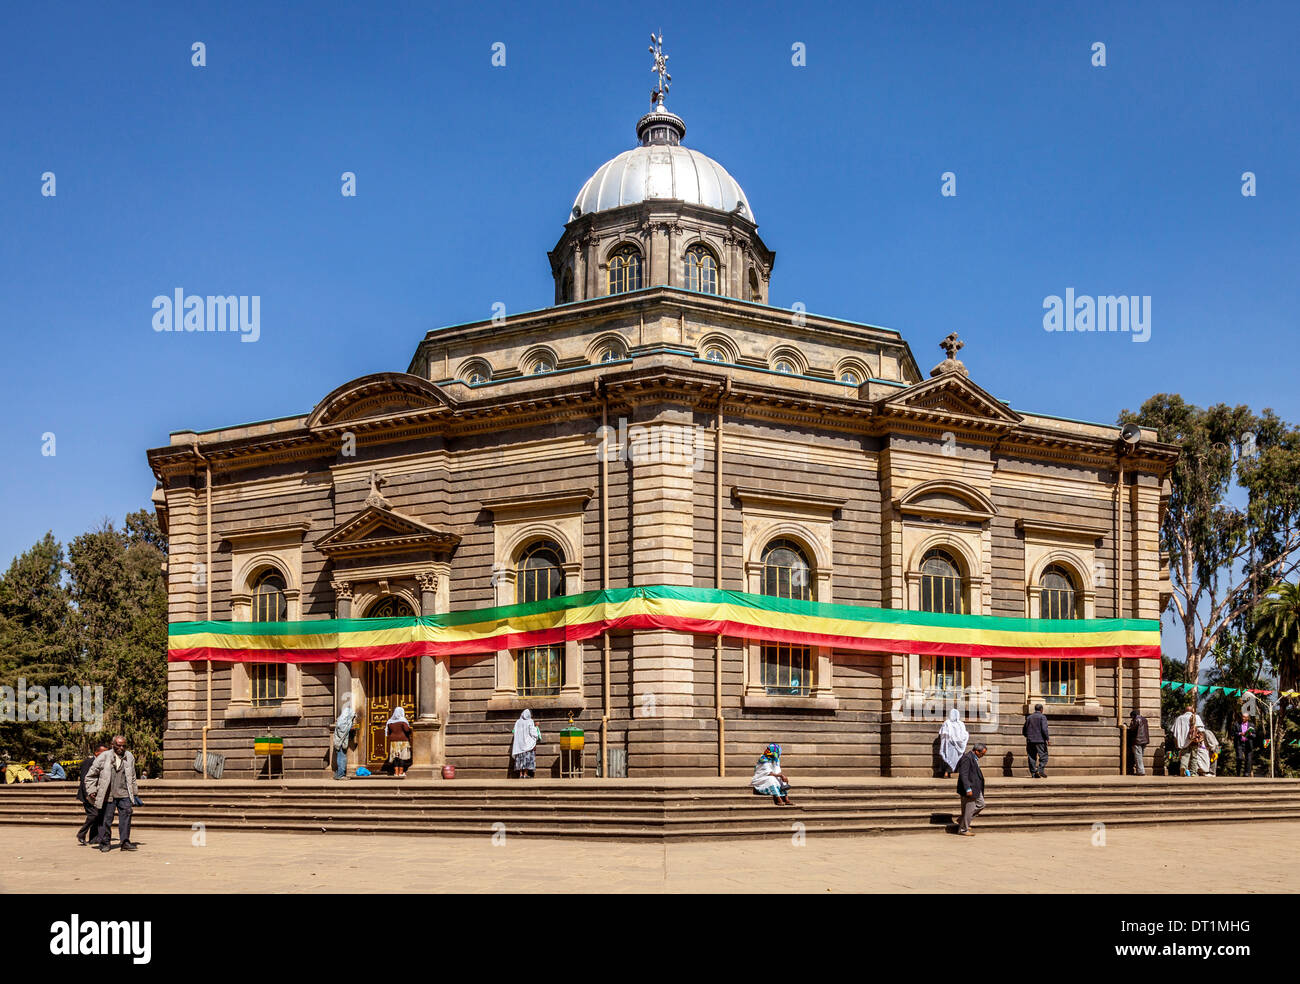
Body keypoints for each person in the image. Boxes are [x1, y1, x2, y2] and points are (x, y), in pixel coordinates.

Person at [84, 735, 140, 853]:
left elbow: (133, 776)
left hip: (124, 793)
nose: (121, 748)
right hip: (107, 793)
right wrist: (92, 790)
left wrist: (134, 793)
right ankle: (105, 843)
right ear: (112, 744)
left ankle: (125, 842)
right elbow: (90, 775)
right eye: (119, 745)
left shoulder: (129, 756)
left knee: (126, 818)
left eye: (124, 745)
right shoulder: (104, 756)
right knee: (105, 819)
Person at [75, 745, 108, 846]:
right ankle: (81, 834)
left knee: (97, 816)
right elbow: (85, 779)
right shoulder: (88, 762)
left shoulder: (103, 763)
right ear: (97, 753)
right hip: (88, 794)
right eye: (104, 752)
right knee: (94, 815)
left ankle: (93, 838)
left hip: (97, 794)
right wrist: (87, 794)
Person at [955, 742, 988, 836]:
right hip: (970, 788)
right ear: (977, 751)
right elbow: (963, 774)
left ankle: (962, 820)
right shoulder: (967, 758)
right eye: (982, 754)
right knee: (970, 808)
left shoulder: (973, 758)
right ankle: (963, 829)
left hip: (976, 787)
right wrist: (967, 788)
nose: (983, 756)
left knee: (981, 804)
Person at [1171, 705, 1210, 776]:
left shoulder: (1179, 718)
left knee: (1184, 755)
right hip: (1194, 740)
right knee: (1194, 756)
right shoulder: (1196, 717)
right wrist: (1200, 739)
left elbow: (1174, 731)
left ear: (1185, 711)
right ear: (1192, 711)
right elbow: (1201, 730)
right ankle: (1193, 772)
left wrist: (1177, 741)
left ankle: (1183, 767)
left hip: (1183, 741)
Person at [938, 709, 968, 779]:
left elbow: (964, 734)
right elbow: (944, 734)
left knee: (956, 759)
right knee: (948, 758)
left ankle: (950, 773)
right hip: (950, 745)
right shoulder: (947, 723)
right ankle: (946, 773)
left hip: (957, 745)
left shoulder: (960, 724)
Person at [331, 693, 355, 780]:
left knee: (341, 757)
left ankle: (339, 774)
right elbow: (343, 729)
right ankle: (340, 775)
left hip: (339, 742)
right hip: (340, 743)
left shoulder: (341, 721)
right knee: (342, 758)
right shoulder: (343, 723)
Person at [511, 709, 541, 778]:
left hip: (519, 744)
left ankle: (520, 774)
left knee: (520, 759)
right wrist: (536, 727)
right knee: (527, 758)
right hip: (527, 744)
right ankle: (525, 774)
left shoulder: (518, 722)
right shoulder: (530, 721)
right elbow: (533, 732)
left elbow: (515, 731)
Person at [1023, 703, 1050, 778]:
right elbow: (1044, 729)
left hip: (1030, 740)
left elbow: (1024, 730)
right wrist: (1047, 739)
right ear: (1041, 709)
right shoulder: (1042, 717)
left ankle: (1034, 773)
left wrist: (1028, 736)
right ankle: (1040, 770)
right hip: (1040, 740)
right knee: (1044, 756)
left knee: (1031, 757)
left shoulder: (1029, 717)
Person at [386, 706, 413, 778]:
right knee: (402, 757)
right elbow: (407, 730)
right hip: (403, 741)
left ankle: (396, 772)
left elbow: (388, 732)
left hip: (393, 741)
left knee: (395, 757)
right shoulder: (403, 721)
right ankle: (401, 772)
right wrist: (410, 729)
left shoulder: (390, 722)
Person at [1234, 713, 1257, 777]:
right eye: (1242, 716)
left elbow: (1254, 735)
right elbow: (1234, 733)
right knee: (1239, 758)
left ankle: (1246, 773)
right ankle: (1238, 773)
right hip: (1239, 743)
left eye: (1244, 717)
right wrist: (1240, 733)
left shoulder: (1252, 725)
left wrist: (1250, 734)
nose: (1243, 718)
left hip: (1248, 744)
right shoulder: (1237, 724)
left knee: (1248, 759)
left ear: (1248, 718)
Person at [1128, 709, 1149, 775]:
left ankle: (1140, 771)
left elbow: (1132, 729)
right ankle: (1139, 770)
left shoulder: (1136, 720)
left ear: (1133, 715)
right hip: (1145, 740)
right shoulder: (1145, 720)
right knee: (1140, 756)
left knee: (1138, 756)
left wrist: (1130, 725)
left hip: (1137, 740)